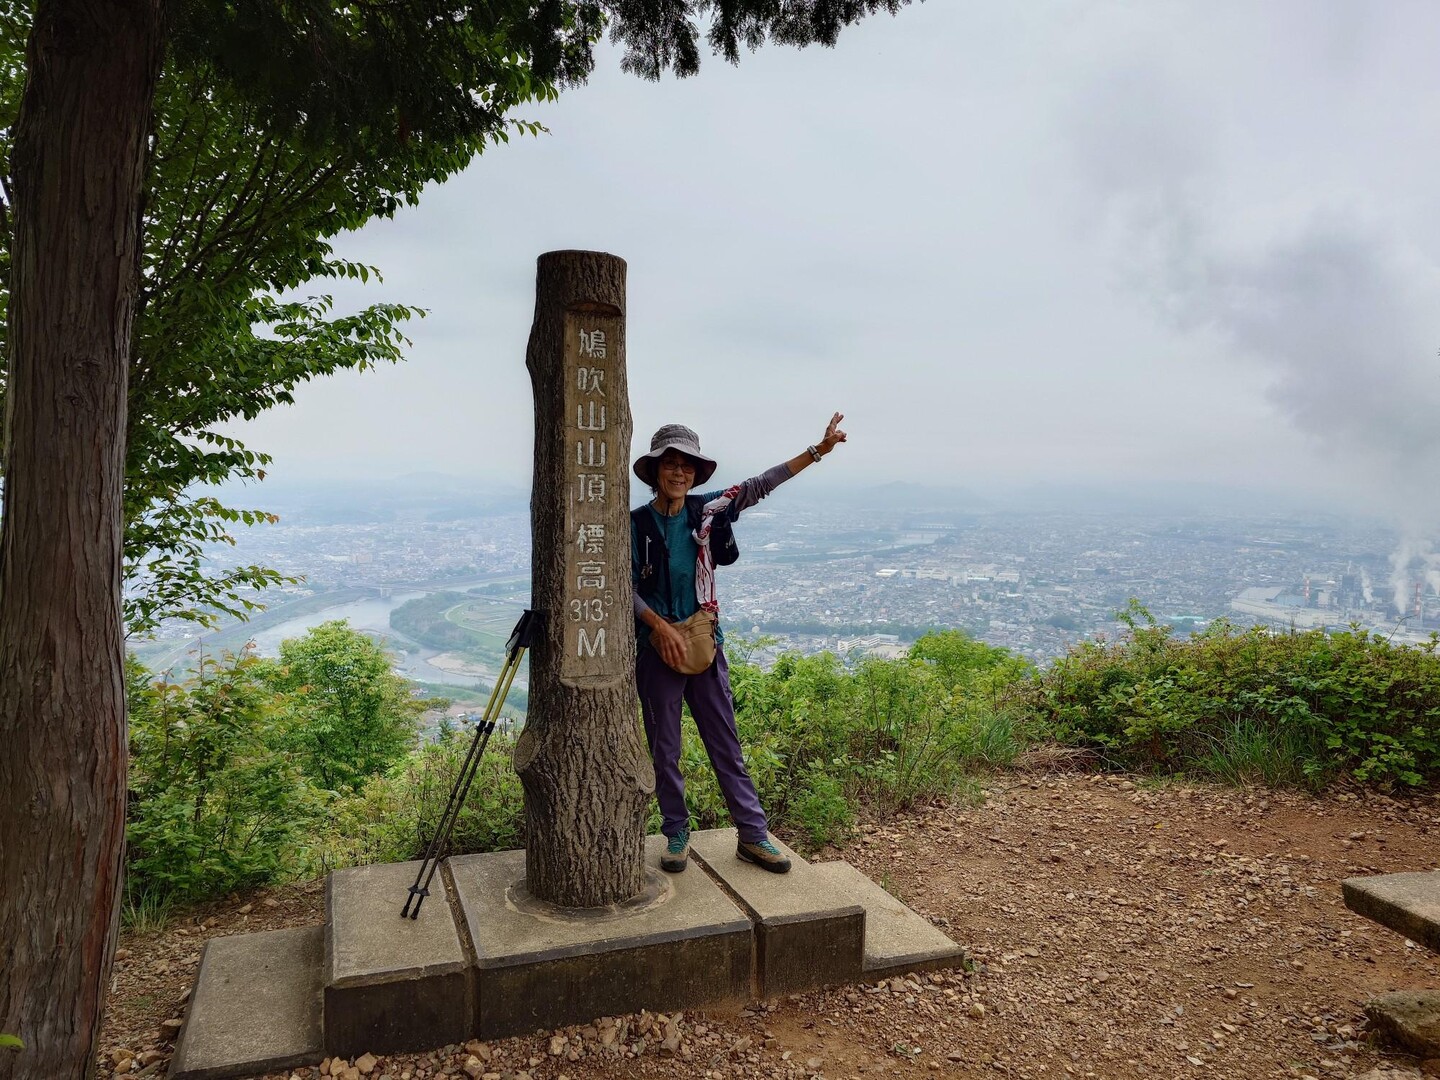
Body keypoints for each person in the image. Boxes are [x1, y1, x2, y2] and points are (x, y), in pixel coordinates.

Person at [630, 414, 848, 875]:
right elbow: (619, 584)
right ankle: (675, 832)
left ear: (695, 473)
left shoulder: (706, 511)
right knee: (664, 748)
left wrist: (817, 451)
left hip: (705, 645)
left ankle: (752, 834)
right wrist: (656, 625)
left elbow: (759, 484)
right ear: (654, 472)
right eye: (670, 464)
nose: (678, 473)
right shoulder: (634, 526)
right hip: (657, 651)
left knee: (724, 743)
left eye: (686, 465)